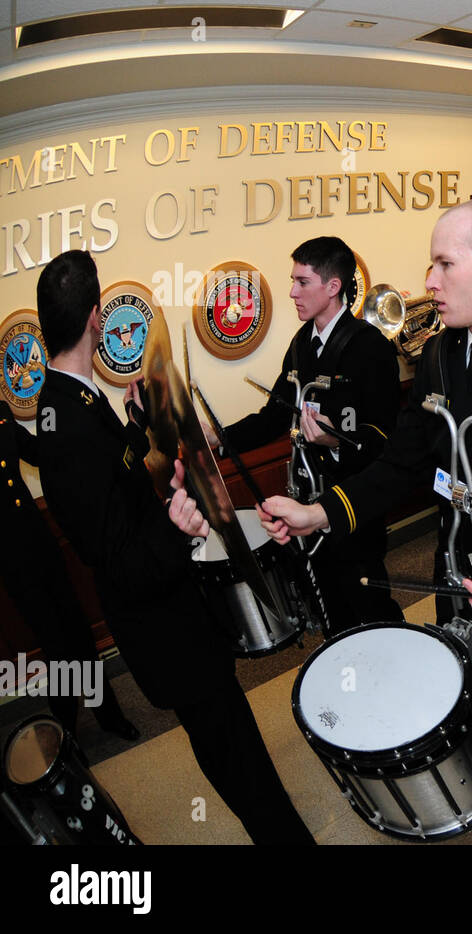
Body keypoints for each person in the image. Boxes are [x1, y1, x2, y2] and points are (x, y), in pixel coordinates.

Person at [174, 198, 472, 845]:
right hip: (458, 576)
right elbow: (400, 462)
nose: (429, 282)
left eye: (444, 263)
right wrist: (317, 511)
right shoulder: (440, 356)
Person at [35, 250, 313, 845]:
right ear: (94, 318)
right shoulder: (69, 422)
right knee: (235, 755)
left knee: (231, 744)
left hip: (170, 617)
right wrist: (175, 525)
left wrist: (138, 427)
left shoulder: (73, 399)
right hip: (164, 629)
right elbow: (115, 556)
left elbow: (112, 486)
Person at [213, 236, 401, 636]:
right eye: (293, 281)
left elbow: (385, 438)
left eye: (302, 282)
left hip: (353, 503)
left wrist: (336, 440)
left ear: (333, 287)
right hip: (306, 500)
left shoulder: (370, 347)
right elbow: (274, 417)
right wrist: (218, 437)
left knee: (371, 606)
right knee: (331, 609)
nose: (292, 292)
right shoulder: (301, 345)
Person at [1, 400, 137, 741]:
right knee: (56, 644)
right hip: (9, 555)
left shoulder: (1, 412)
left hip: (38, 539)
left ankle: (108, 716)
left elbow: (36, 452)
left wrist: (69, 434)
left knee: (78, 632)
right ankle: (66, 731)